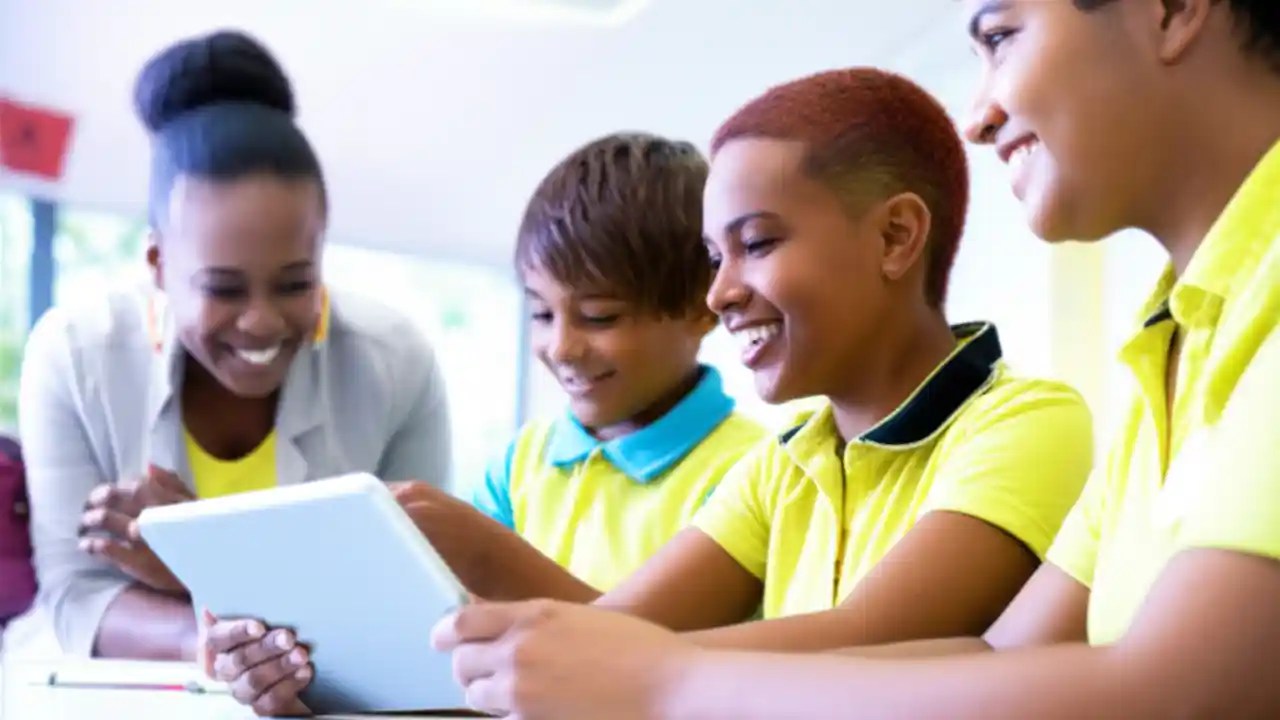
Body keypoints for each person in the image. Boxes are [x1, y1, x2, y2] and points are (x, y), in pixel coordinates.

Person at [431, 0, 1280, 717]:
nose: (979, 116)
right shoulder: (1168, 342)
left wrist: (667, 682)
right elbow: (996, 653)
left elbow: (1185, 690)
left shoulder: (1036, 415)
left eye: (1001, 36)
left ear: (1171, 9)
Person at [203, 132, 766, 717]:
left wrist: (488, 554)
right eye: (541, 313)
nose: (561, 347)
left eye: (600, 317)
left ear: (701, 308)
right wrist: (304, 679)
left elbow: (665, 663)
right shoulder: (522, 463)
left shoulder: (752, 471)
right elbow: (456, 661)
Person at [18, 29, 451, 663]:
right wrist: (215, 642)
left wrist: (197, 564)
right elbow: (75, 596)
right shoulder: (75, 357)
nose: (261, 322)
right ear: (159, 264)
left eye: (296, 283)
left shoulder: (394, 363)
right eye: (223, 288)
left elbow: (412, 597)